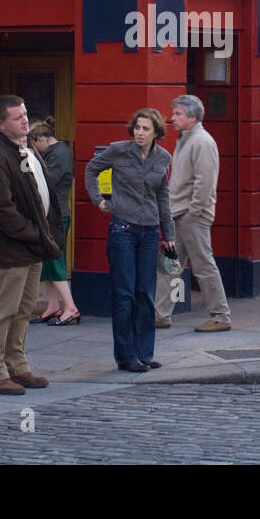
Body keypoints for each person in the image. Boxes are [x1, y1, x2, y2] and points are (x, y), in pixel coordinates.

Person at [0, 95, 64, 395]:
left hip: (32, 245)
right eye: (17, 117)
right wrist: (35, 234)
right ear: (0, 124)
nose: (25, 120)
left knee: (25, 309)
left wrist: (43, 235)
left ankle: (16, 365)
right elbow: (2, 212)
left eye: (26, 114)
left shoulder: (24, 148)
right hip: (12, 248)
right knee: (4, 311)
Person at [85, 107, 174, 373]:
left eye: (146, 129)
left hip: (149, 230)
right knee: (124, 294)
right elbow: (92, 169)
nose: (139, 133)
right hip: (122, 228)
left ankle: (145, 353)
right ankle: (126, 355)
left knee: (145, 294)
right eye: (137, 127)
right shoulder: (118, 150)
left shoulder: (163, 158)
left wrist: (168, 235)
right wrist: (98, 199)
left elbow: (163, 197)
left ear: (156, 132)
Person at [154, 95, 229, 332]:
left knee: (202, 265)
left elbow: (205, 181)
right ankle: (160, 315)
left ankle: (220, 315)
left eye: (178, 114)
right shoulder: (187, 139)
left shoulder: (201, 141)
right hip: (180, 213)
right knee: (169, 266)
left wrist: (194, 211)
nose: (172, 118)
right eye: (173, 113)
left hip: (190, 215)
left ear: (193, 117)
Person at [29, 118, 80, 325]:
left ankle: (70, 307)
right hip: (50, 215)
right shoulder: (55, 153)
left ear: (41, 138)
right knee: (49, 262)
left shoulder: (59, 154)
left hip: (56, 216)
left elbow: (47, 182)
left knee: (56, 261)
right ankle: (53, 306)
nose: (36, 150)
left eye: (35, 145)